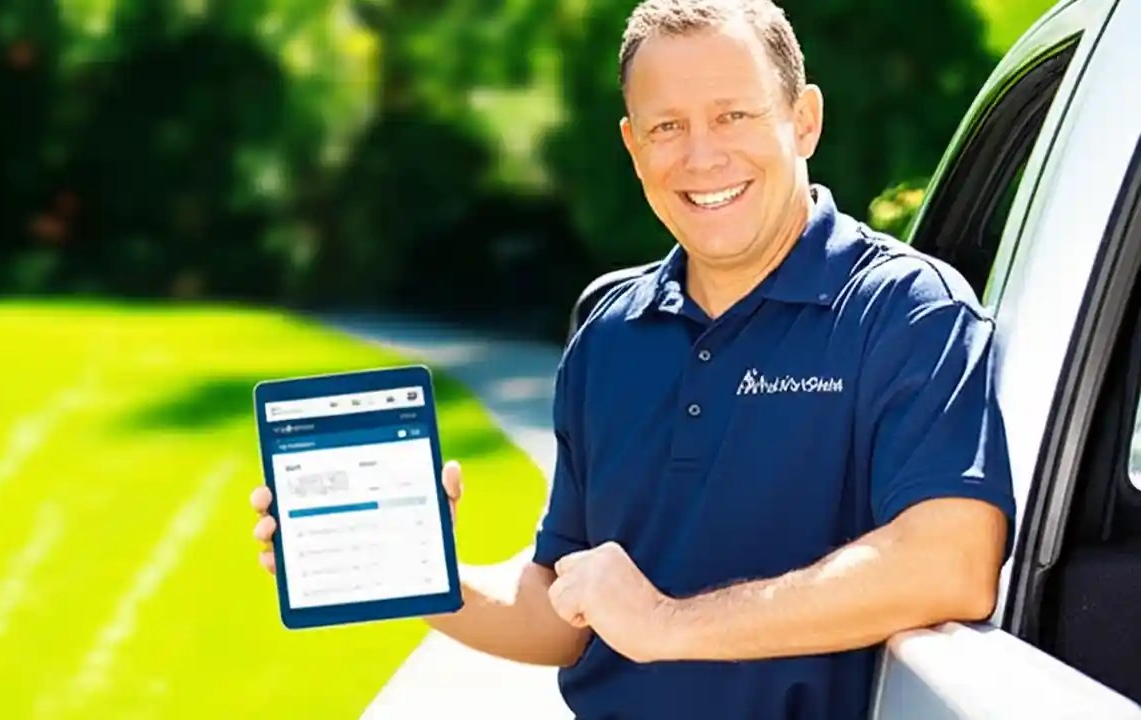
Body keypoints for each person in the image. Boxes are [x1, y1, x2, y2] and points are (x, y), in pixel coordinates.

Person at [251, 0, 1017, 717]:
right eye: (667, 127)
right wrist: (413, 572)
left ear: (803, 118)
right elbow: (564, 614)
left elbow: (948, 562)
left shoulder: (907, 310)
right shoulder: (611, 334)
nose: (702, 156)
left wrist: (667, 624)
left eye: (734, 115)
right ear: (632, 144)